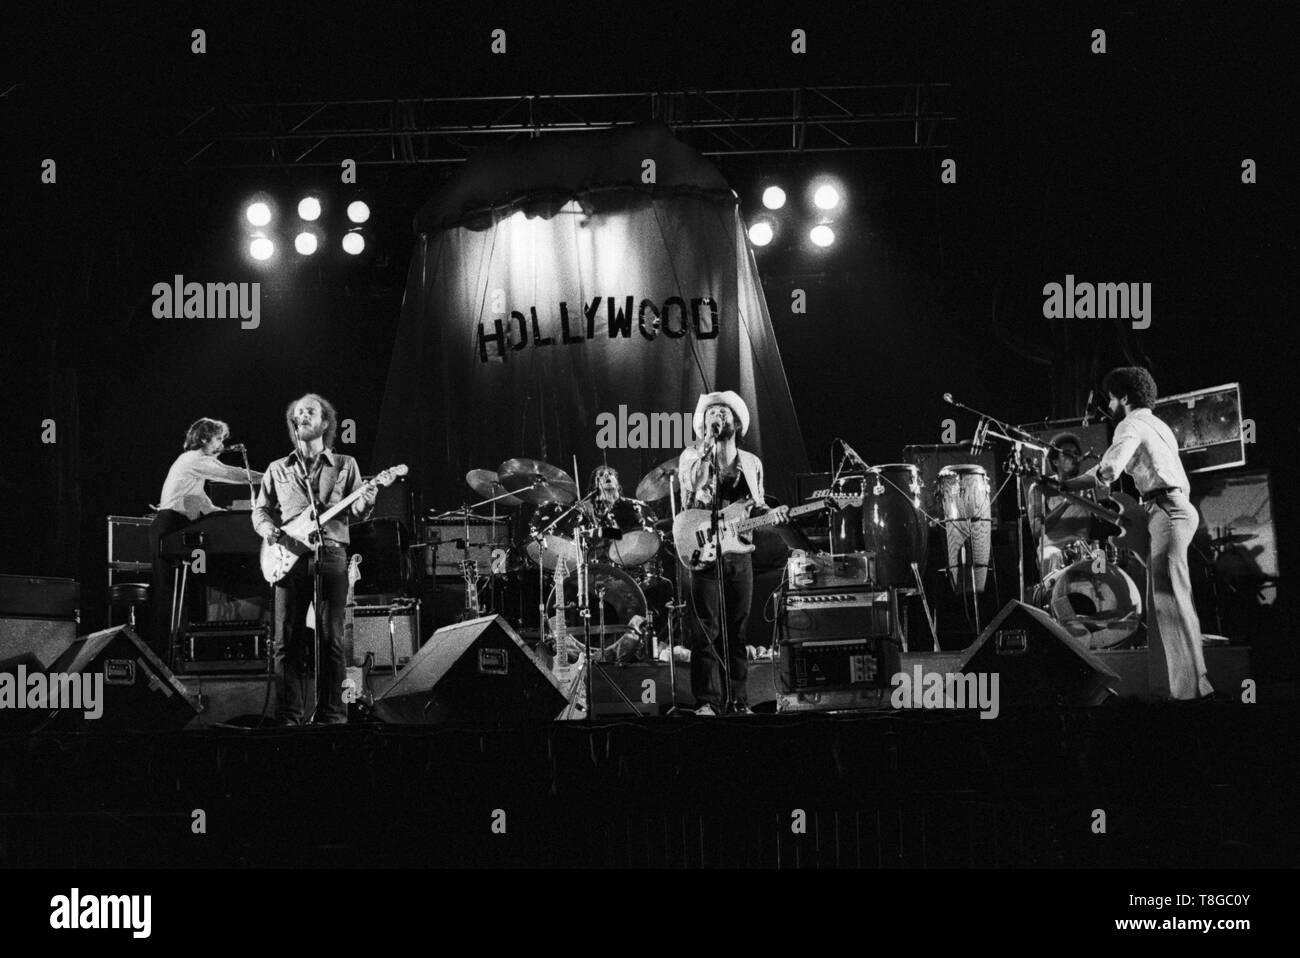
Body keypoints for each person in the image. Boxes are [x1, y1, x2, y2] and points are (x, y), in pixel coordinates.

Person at [1064, 367, 1214, 702]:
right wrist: (1069, 485)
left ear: (1126, 397)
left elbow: (1110, 467)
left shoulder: (1128, 424)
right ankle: (1170, 689)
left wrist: (1106, 470)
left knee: (1170, 597)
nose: (1110, 404)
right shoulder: (1158, 425)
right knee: (1160, 600)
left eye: (1113, 398)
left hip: (1167, 510)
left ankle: (1195, 691)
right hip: (1167, 508)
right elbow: (1106, 469)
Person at [252, 394, 377, 725]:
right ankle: (288, 716)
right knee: (285, 640)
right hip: (287, 555)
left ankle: (332, 716)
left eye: (310, 411)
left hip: (332, 552)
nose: (302, 415)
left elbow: (357, 512)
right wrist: (272, 533)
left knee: (330, 638)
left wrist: (366, 500)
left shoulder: (345, 465)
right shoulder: (277, 468)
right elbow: (260, 509)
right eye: (297, 412)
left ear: (325, 423)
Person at [677, 390, 787, 715]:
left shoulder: (751, 463)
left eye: (723, 412)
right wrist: (705, 451)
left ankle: (738, 700)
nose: (717, 417)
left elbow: (758, 507)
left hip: (739, 553)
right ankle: (707, 702)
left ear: (736, 422)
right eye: (711, 413)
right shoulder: (691, 457)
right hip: (704, 549)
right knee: (705, 630)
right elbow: (693, 484)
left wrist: (775, 515)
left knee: (737, 630)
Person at [149, 418, 263, 659]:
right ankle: (163, 659)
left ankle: (177, 656)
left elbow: (201, 502)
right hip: (169, 526)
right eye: (218, 438)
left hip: (174, 526)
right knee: (167, 595)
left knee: (180, 593)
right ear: (203, 438)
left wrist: (228, 515)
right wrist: (271, 477)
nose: (221, 444)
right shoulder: (195, 460)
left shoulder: (194, 465)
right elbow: (231, 474)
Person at [1027, 433, 1094, 598]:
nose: (1074, 457)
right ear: (1055, 461)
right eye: (1067, 453)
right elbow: (1036, 530)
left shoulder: (1087, 485)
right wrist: (1066, 503)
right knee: (1052, 556)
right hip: (1053, 549)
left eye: (1076, 453)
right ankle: (1055, 608)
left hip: (1084, 550)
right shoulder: (1040, 488)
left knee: (1103, 560)